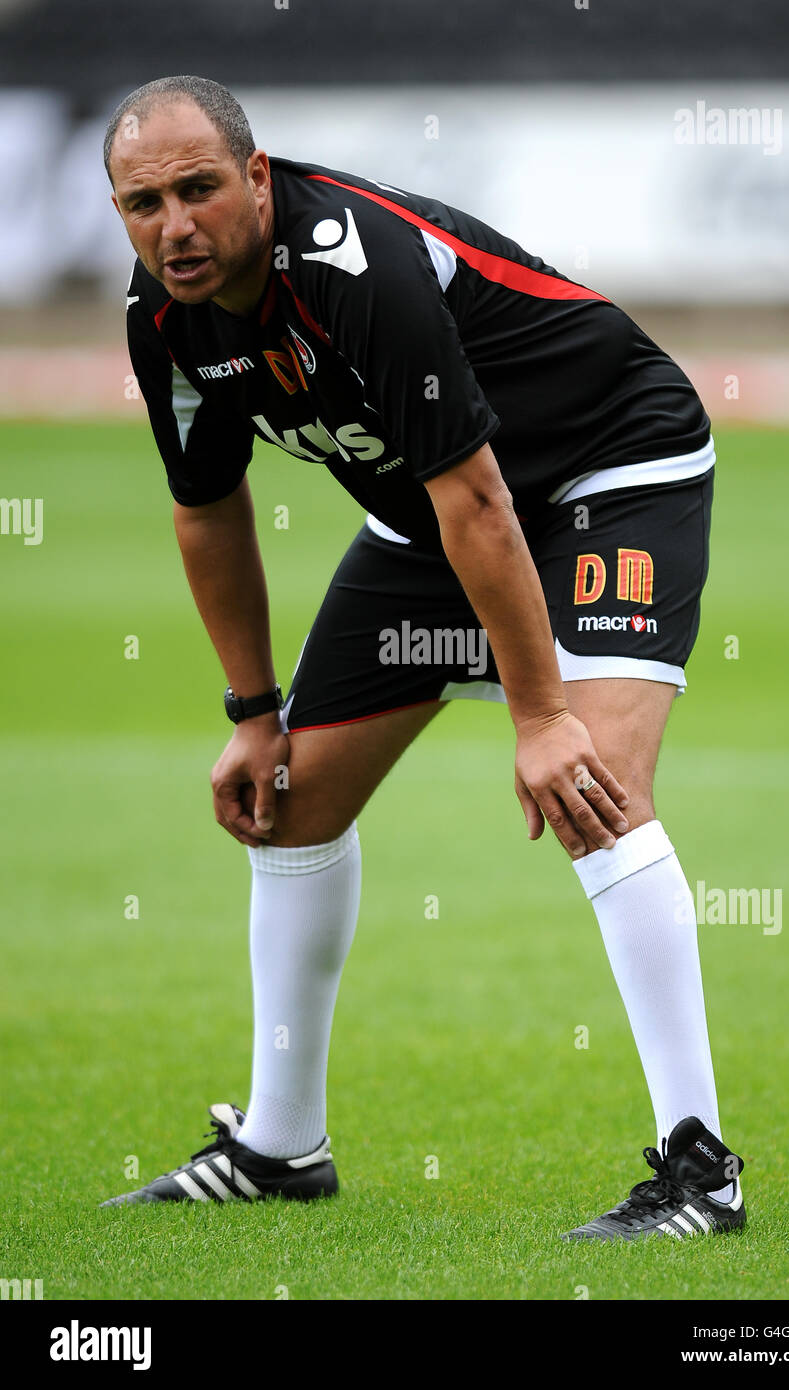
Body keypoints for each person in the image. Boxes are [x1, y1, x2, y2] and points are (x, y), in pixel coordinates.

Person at [99, 75, 745, 1240]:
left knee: (595, 785)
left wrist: (540, 713)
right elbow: (208, 507)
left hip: (607, 472)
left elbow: (483, 500)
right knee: (288, 802)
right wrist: (253, 710)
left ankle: (700, 1166)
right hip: (432, 519)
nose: (174, 227)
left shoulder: (352, 265)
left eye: (198, 189)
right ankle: (278, 1146)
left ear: (257, 178)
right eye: (143, 204)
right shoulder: (162, 318)